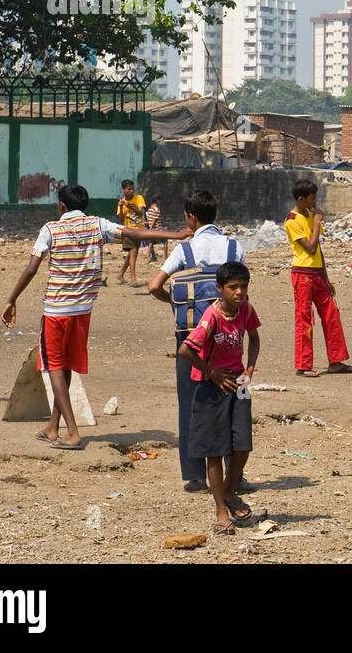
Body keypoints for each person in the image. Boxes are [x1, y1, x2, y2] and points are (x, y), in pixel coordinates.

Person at [2, 184, 187, 449]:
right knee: (65, 366)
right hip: (82, 310)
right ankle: (53, 428)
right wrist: (174, 234)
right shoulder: (97, 225)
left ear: (61, 206)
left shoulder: (50, 229)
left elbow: (32, 267)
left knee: (54, 368)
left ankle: (73, 432)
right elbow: (133, 232)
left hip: (56, 310)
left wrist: (11, 299)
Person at [147, 189, 247, 492]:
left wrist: (176, 305)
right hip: (229, 336)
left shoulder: (185, 250)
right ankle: (235, 475)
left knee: (190, 403)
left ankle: (194, 476)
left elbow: (154, 286)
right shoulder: (234, 247)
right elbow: (242, 289)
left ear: (190, 217)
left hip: (192, 337)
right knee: (233, 404)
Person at [177, 261, 261, 533]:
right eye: (233, 287)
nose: (239, 292)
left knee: (243, 445)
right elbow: (185, 351)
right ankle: (221, 509)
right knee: (214, 451)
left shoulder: (245, 309)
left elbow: (254, 337)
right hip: (211, 387)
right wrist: (211, 373)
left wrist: (249, 368)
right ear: (220, 288)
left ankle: (227, 489)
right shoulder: (211, 318)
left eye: (243, 287)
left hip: (238, 382)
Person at [285, 178, 352, 376]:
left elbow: (319, 251)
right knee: (305, 320)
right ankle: (304, 365)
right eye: (312, 197)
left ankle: (336, 361)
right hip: (302, 274)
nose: (315, 201)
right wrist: (316, 223)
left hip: (316, 274)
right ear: (301, 199)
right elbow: (311, 246)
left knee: (332, 315)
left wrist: (326, 278)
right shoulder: (292, 221)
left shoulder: (308, 215)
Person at [116, 179, 147, 284]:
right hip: (129, 231)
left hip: (140, 230)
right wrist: (121, 207)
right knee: (133, 252)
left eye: (132, 189)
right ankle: (133, 278)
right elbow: (120, 219)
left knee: (131, 254)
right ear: (123, 190)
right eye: (129, 189)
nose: (131, 191)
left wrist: (130, 206)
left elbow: (140, 213)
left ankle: (120, 274)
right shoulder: (121, 202)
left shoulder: (139, 198)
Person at [142, 194, 164, 262]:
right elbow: (154, 220)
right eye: (160, 201)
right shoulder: (156, 209)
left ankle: (149, 258)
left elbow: (149, 220)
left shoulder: (149, 210)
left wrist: (149, 227)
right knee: (165, 242)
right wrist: (151, 228)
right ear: (158, 201)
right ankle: (166, 258)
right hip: (157, 229)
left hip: (152, 229)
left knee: (151, 243)